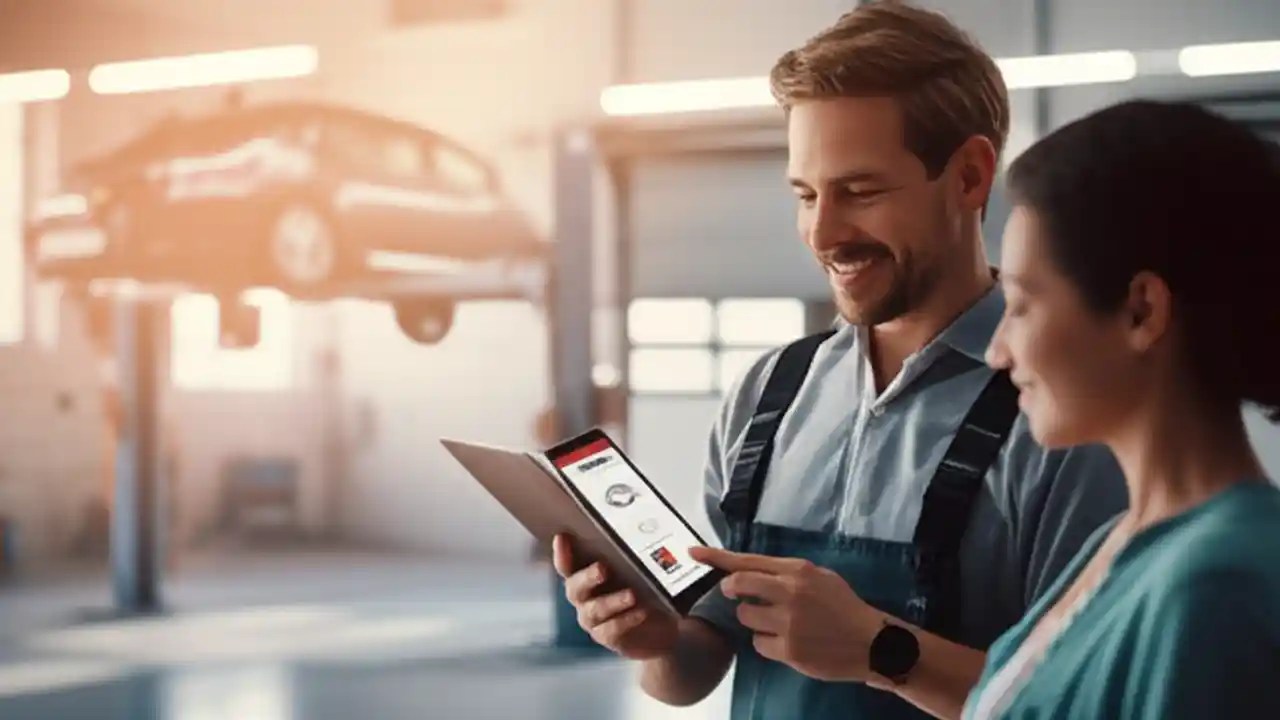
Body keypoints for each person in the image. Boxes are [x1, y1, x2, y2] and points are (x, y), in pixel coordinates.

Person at [552, 3, 1127, 719]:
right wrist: (654, 638)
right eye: (805, 194)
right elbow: (692, 671)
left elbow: (1096, 702)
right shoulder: (768, 393)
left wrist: (880, 650)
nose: (823, 233)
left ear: (971, 177)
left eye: (860, 191)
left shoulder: (1069, 415)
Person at [961, 101, 1280, 719]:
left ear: (1141, 311)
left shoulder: (1218, 584)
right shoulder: (1123, 541)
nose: (997, 351)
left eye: (1022, 304)